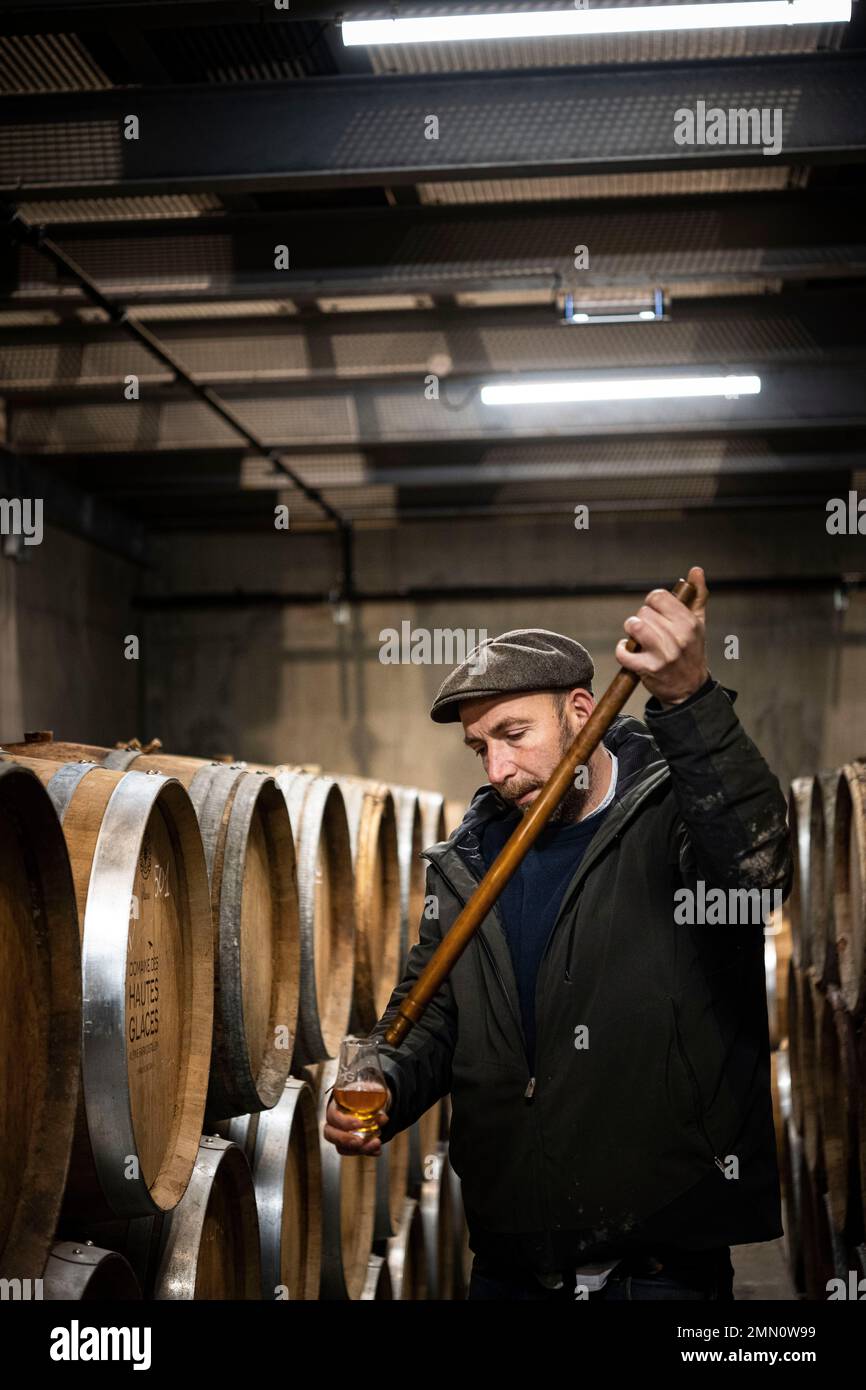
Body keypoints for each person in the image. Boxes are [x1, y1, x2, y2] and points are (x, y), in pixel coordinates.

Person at [324, 566, 792, 1301]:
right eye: (481, 749)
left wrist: (690, 701)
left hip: (660, 1267)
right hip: (510, 1265)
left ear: (582, 710)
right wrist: (384, 1077)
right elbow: (431, 1014)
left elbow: (756, 869)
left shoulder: (674, 819)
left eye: (514, 734)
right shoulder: (469, 864)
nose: (500, 770)